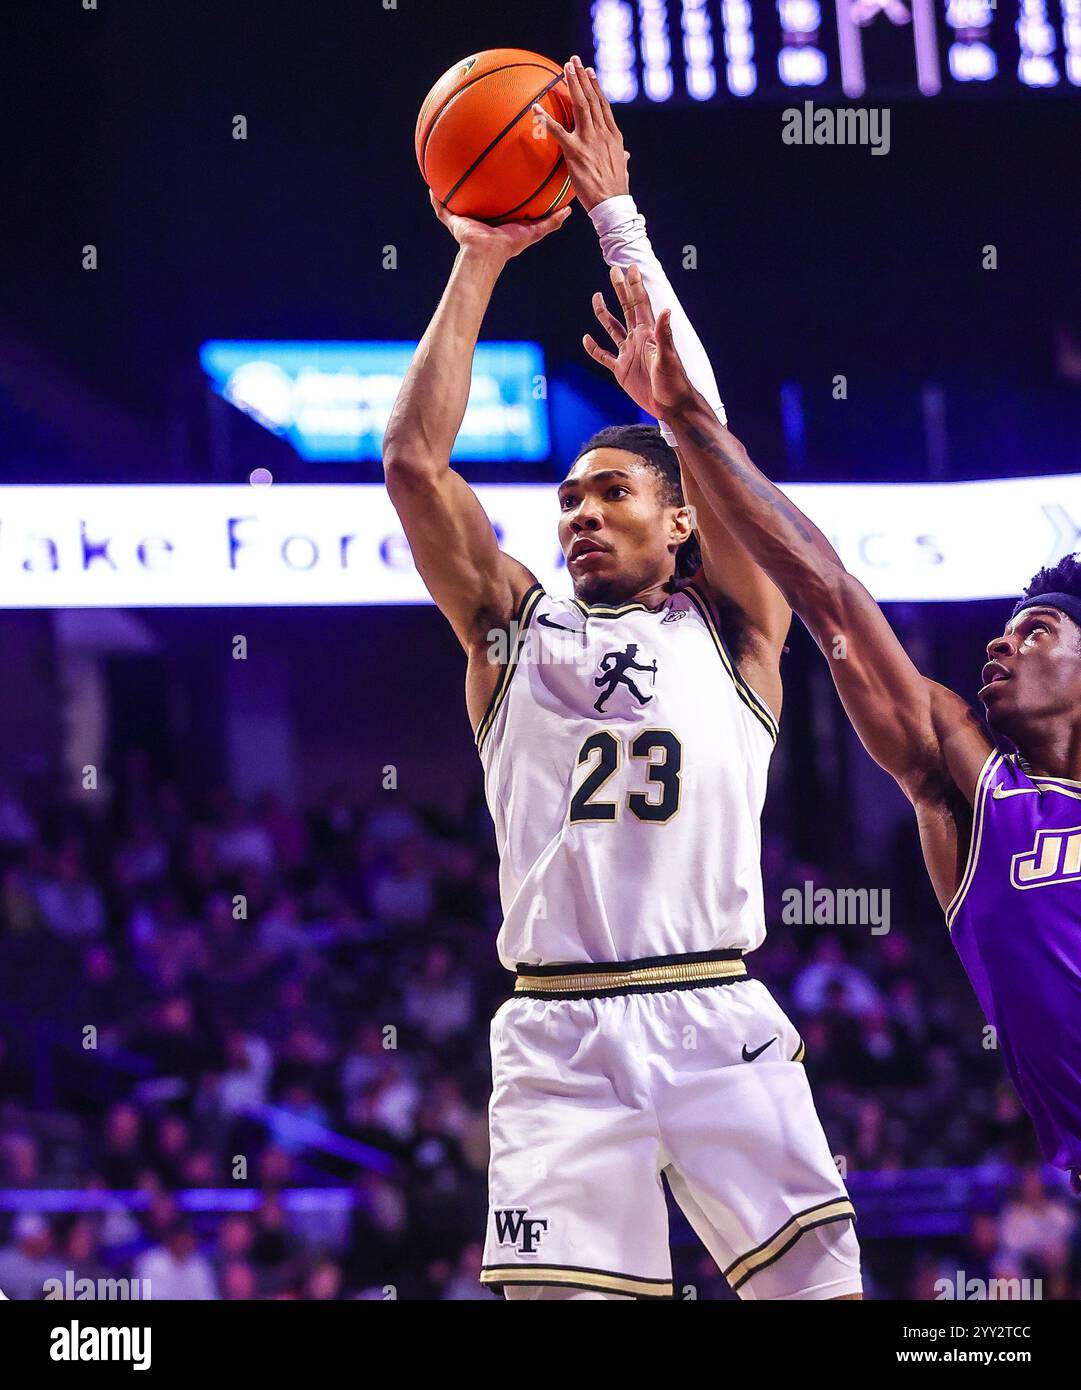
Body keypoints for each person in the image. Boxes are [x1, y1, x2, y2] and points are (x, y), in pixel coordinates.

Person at [382, 56, 860, 1300]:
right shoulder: (506, 629)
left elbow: (709, 428)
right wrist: (480, 256)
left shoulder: (738, 628)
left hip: (715, 1013)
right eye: (566, 499)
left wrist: (616, 216)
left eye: (613, 490)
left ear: (685, 521)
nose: (581, 513)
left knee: (820, 1292)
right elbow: (412, 466)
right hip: (555, 1033)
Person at [592, 256, 1081, 1190]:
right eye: (1000, 632)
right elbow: (831, 599)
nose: (996, 648)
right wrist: (687, 422)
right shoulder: (973, 785)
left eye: (1034, 630)